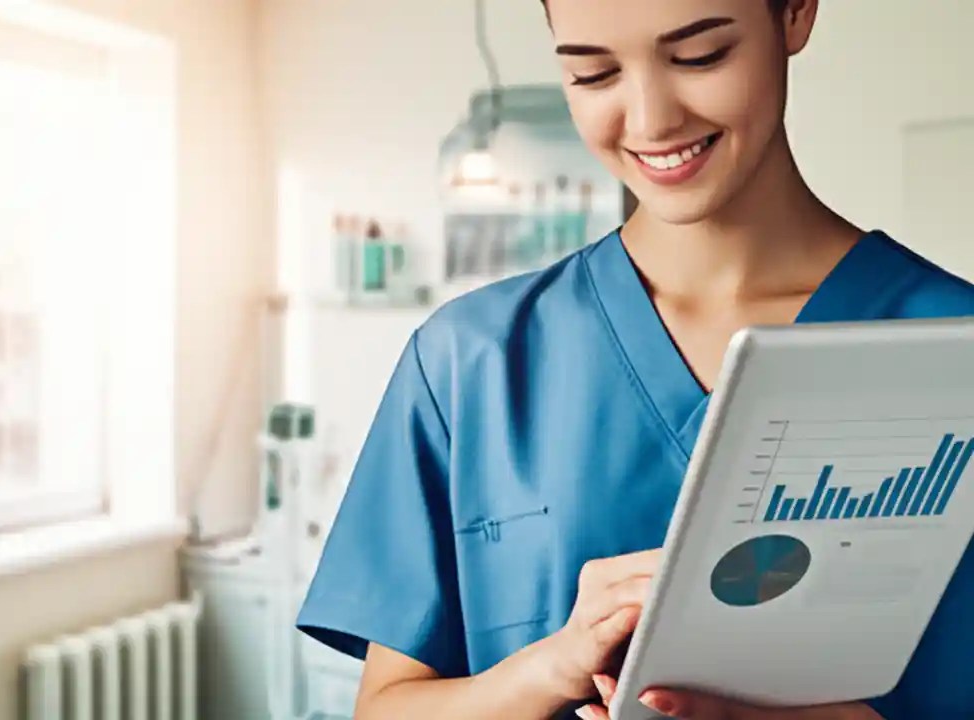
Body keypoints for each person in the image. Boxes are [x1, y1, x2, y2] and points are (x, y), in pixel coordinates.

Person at [294, 0, 974, 718]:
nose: (651, 121)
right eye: (594, 74)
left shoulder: (954, 348)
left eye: (700, 57)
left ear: (796, 13)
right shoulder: (470, 362)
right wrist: (551, 666)